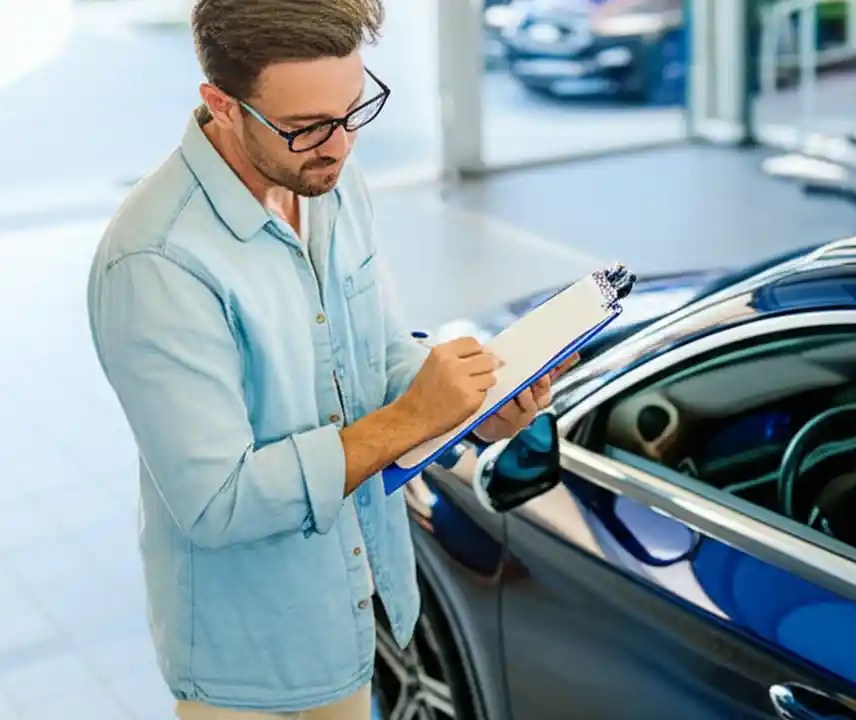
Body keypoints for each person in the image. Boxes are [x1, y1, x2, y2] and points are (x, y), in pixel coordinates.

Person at [85, 1, 575, 717]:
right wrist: (413, 418)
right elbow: (220, 502)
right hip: (251, 661)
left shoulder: (330, 183)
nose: (340, 146)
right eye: (308, 126)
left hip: (352, 610)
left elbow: (374, 362)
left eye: (353, 111)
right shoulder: (156, 262)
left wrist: (476, 409)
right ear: (221, 105)